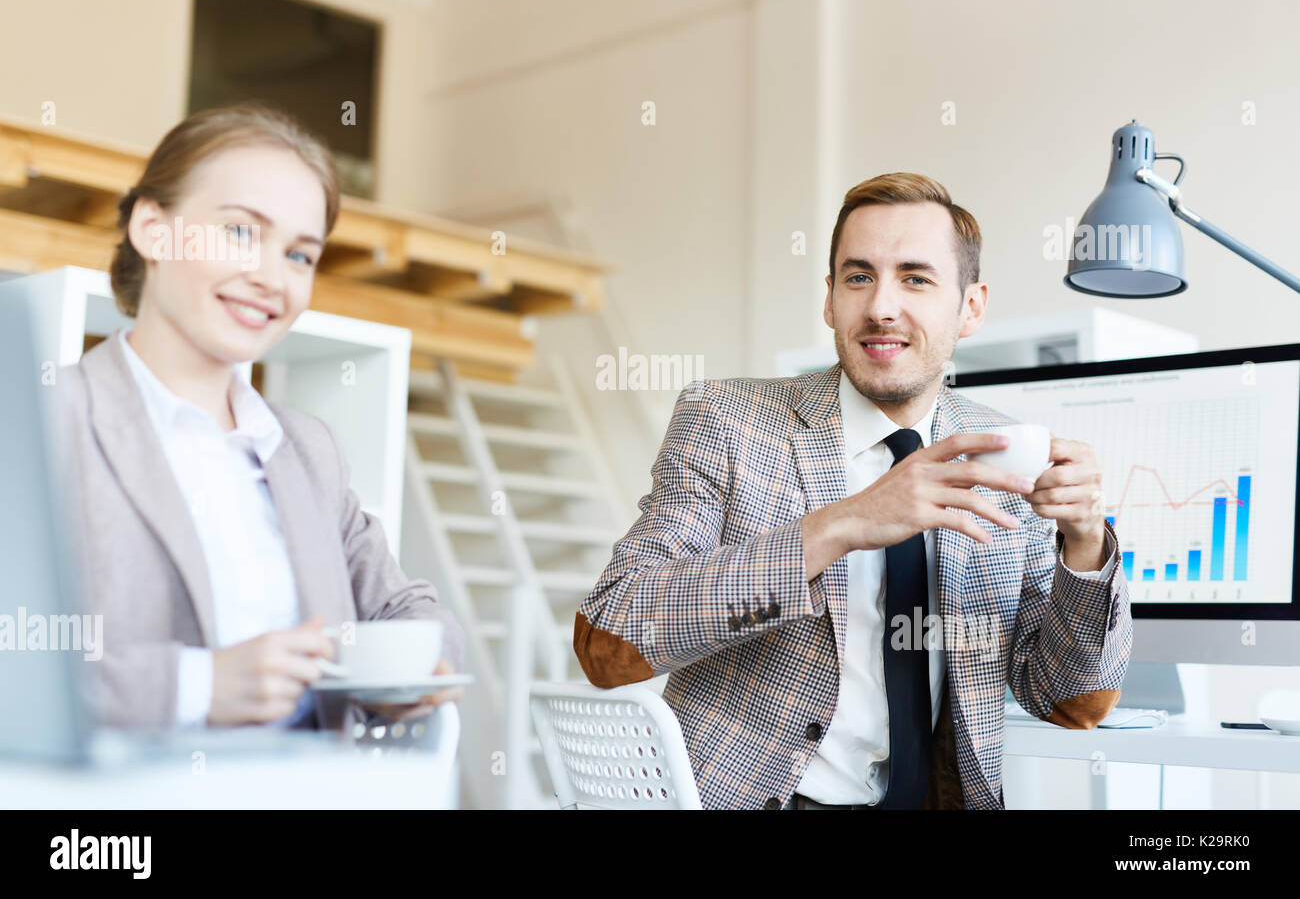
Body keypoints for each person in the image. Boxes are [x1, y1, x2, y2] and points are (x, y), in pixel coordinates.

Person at [574, 172, 1132, 810]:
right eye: (858, 276)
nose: (881, 308)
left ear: (971, 307)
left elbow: (1070, 701)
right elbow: (607, 642)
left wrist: (1085, 545)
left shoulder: (1002, 454)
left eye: (916, 278)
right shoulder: (726, 421)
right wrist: (842, 524)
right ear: (830, 299)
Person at [53, 103, 465, 731]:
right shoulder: (46, 420)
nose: (271, 277)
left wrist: (409, 666)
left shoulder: (305, 449)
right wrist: (198, 686)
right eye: (240, 232)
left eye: (300, 256)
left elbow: (411, 611)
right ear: (152, 230)